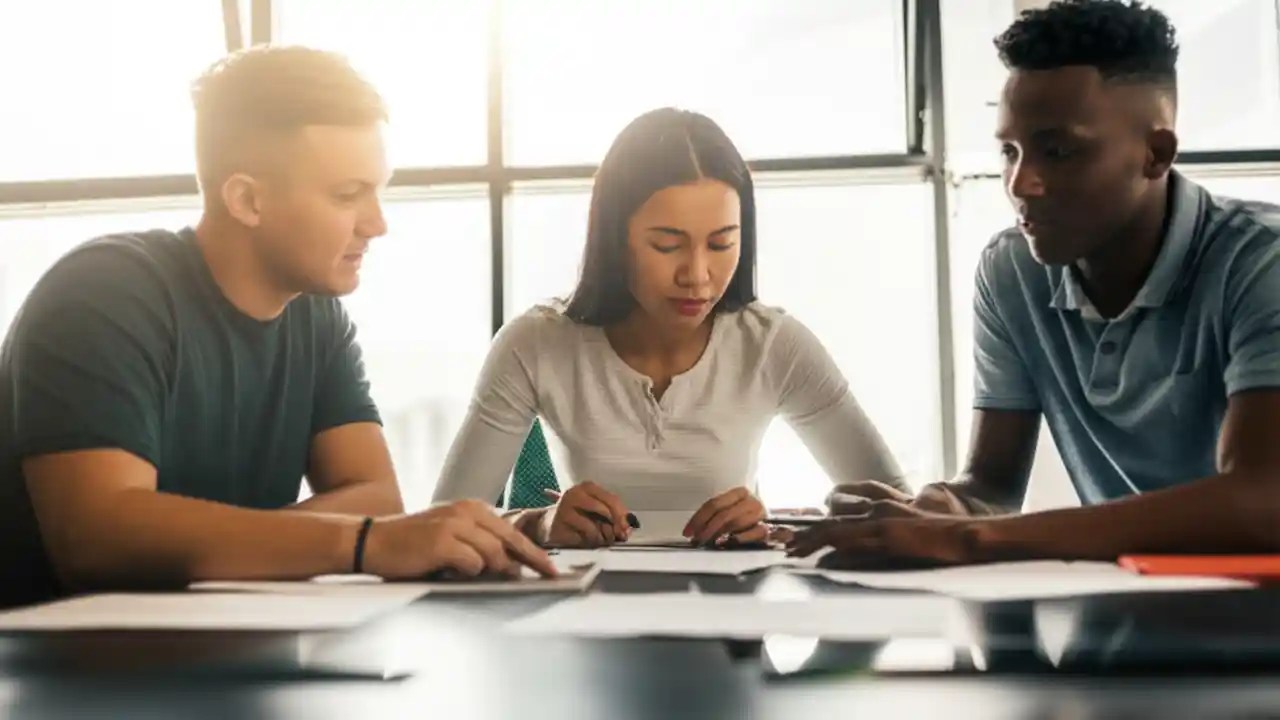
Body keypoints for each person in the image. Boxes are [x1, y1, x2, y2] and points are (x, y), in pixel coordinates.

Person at [0, 46, 553, 608]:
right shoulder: (104, 295)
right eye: (347, 194)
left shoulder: (316, 316)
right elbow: (98, 539)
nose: (378, 223)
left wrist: (216, 538)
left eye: (378, 190)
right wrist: (360, 543)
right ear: (246, 199)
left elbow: (377, 496)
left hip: (214, 648)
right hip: (54, 673)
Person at [790, 0, 1280, 567]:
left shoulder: (1261, 263)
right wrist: (940, 510)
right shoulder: (1012, 272)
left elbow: (1263, 500)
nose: (1022, 183)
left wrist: (970, 540)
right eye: (1009, 150)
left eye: (1059, 151)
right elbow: (992, 489)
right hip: (1131, 615)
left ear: (1156, 153)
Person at [432, 107, 904, 549]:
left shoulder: (774, 344)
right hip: (589, 621)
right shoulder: (535, 343)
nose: (697, 275)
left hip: (731, 620)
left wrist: (779, 527)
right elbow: (443, 524)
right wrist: (538, 523)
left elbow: (902, 514)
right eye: (666, 245)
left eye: (721, 244)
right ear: (615, 240)